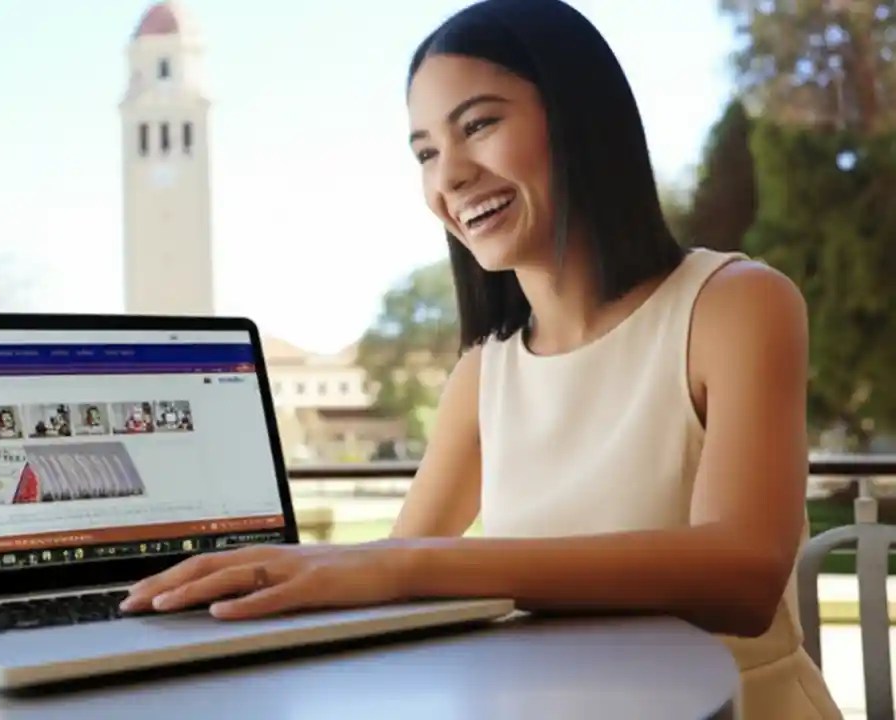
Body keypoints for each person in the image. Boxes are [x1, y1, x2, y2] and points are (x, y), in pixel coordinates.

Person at [119, 1, 842, 717]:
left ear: (579, 118)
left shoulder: (736, 305)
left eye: (480, 124)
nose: (450, 176)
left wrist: (405, 567)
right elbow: (383, 593)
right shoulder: (483, 375)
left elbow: (741, 577)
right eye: (426, 152)